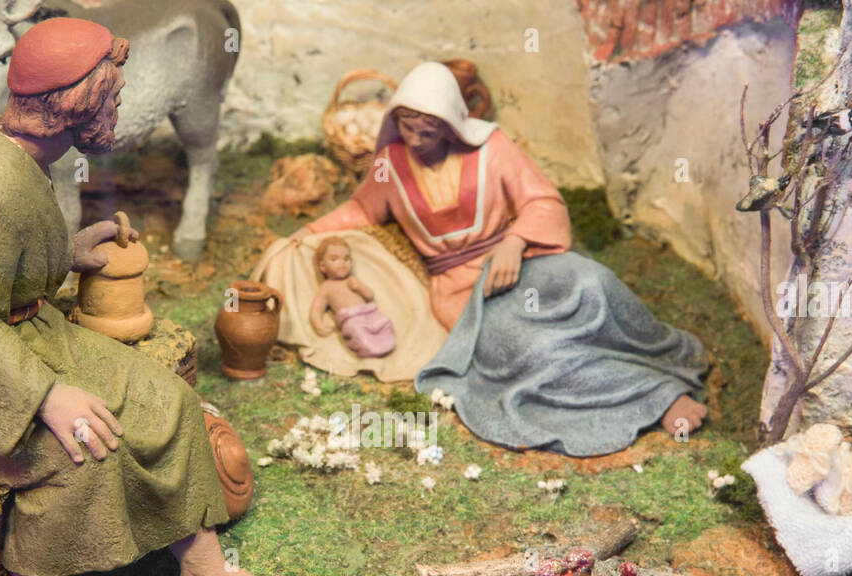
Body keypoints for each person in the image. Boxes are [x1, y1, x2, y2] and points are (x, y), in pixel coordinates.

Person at [0, 18, 293, 576]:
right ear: (70, 103)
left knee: (165, 396)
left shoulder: (13, 146)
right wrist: (47, 396)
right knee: (79, 443)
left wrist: (69, 251)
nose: (115, 106)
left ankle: (203, 571)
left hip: (25, 329)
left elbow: (5, 267)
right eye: (108, 96)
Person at [293, 62, 709, 457]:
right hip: (464, 290)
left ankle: (660, 355)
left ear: (453, 123)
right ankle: (658, 396)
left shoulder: (492, 148)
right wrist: (309, 231)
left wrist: (515, 241)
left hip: (522, 259)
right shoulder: (390, 164)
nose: (417, 139)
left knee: (593, 282)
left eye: (430, 130)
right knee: (534, 347)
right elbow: (363, 211)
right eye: (406, 127)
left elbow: (541, 200)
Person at [308, 237, 397, 358]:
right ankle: (369, 348)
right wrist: (319, 325)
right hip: (351, 318)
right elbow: (317, 309)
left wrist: (359, 287)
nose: (342, 263)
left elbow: (370, 296)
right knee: (356, 330)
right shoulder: (326, 287)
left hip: (369, 312)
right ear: (323, 266)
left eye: (346, 258)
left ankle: (386, 344)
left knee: (385, 322)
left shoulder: (352, 280)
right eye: (334, 259)